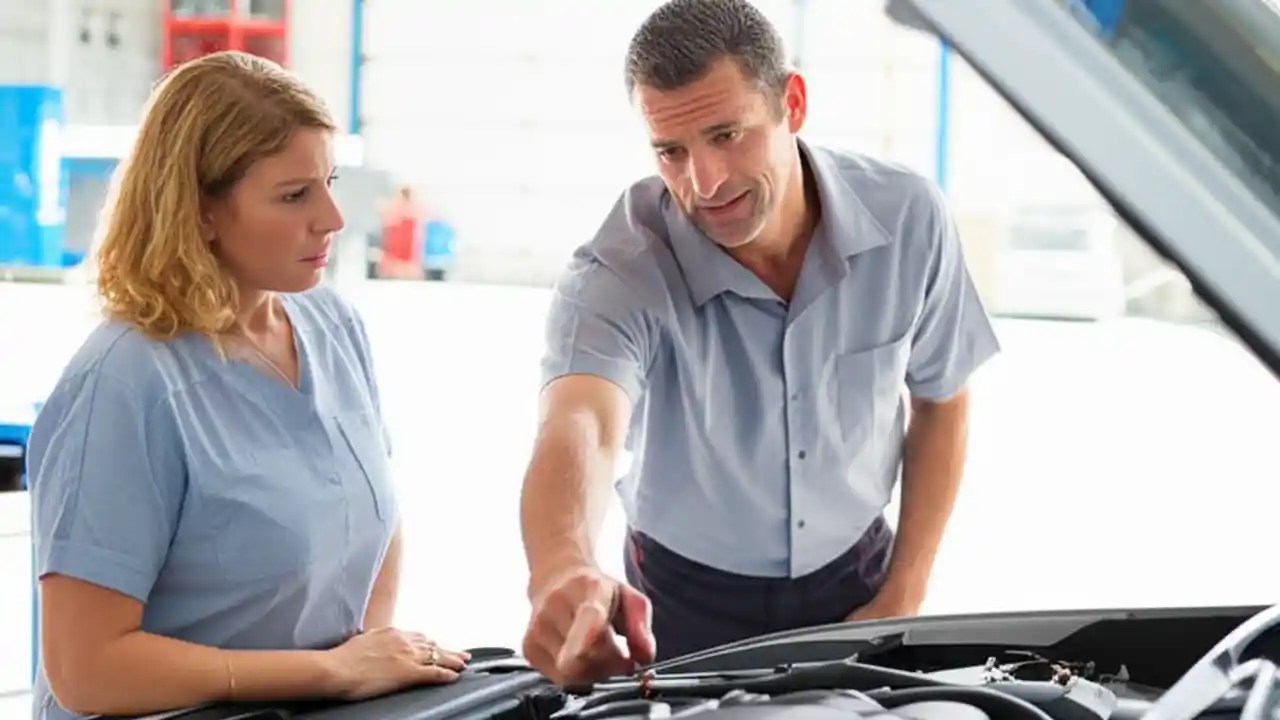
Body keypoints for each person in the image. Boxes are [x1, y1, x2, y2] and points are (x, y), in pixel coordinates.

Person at [519, 0, 1000, 684]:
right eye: (671, 151)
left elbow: (942, 400)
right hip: (680, 606)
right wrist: (561, 568)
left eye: (727, 134)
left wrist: (904, 592)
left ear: (792, 103)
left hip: (858, 581)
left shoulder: (909, 219)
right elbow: (580, 424)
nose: (702, 183)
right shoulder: (620, 268)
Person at [26, 51, 468, 720]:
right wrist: (328, 675)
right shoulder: (124, 383)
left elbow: (379, 518)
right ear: (199, 211)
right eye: (294, 195)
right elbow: (87, 669)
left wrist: (364, 671)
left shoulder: (331, 323)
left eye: (329, 181)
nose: (333, 218)